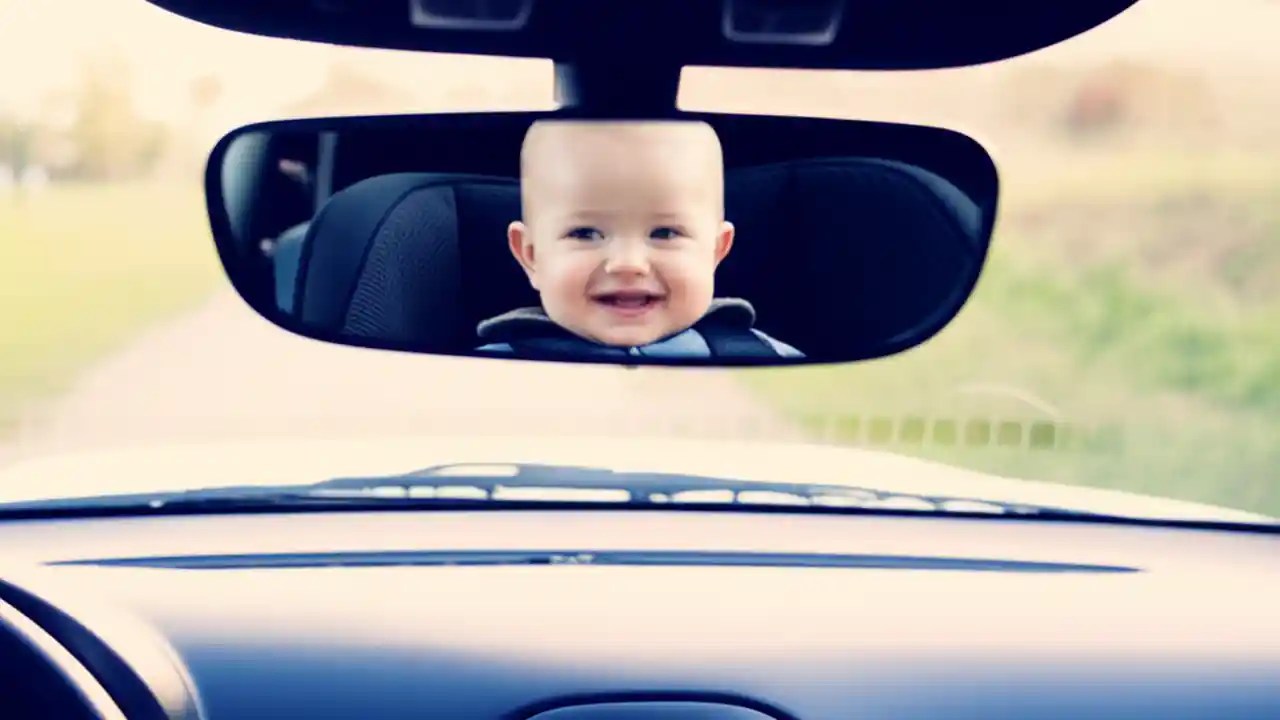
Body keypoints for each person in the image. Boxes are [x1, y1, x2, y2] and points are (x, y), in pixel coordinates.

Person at [474, 120, 802, 360]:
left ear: (715, 251)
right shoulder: (482, 379)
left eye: (665, 233)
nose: (628, 263)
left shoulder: (771, 360)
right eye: (585, 233)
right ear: (531, 256)